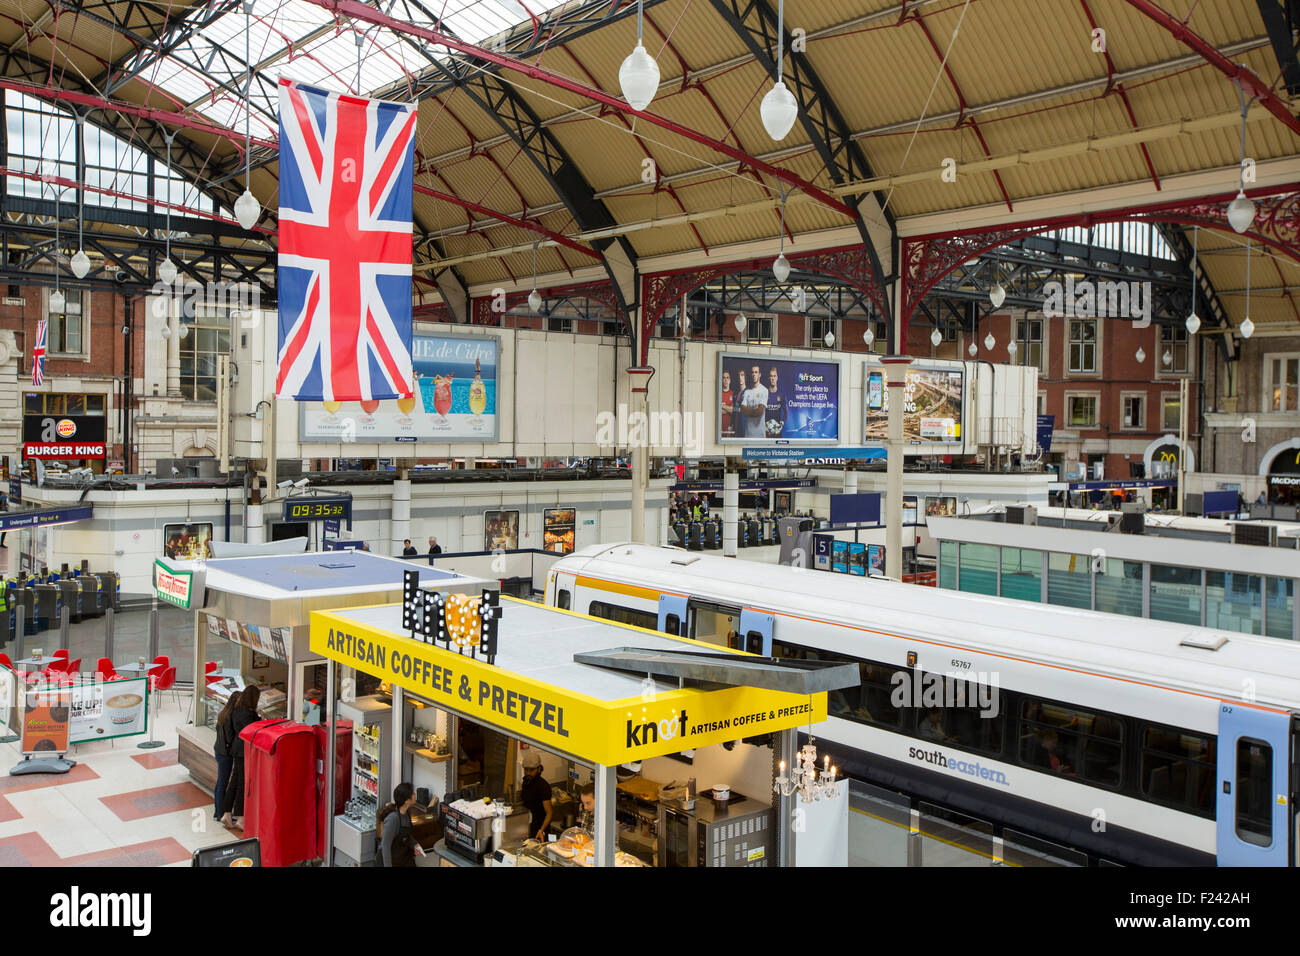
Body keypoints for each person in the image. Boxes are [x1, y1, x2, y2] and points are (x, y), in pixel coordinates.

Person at [219, 685, 261, 830]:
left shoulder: (236, 711)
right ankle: (241, 818)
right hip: (245, 751)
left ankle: (226, 813)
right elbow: (255, 732)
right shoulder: (251, 716)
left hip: (236, 749)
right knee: (242, 783)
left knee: (234, 781)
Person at [212, 689, 243, 819]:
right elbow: (231, 738)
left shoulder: (223, 713)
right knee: (223, 783)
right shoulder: (231, 717)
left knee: (221, 782)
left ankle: (218, 810)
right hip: (226, 754)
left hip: (219, 751)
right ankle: (220, 814)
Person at [378, 782, 421, 867]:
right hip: (390, 861)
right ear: (407, 801)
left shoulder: (407, 812)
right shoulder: (393, 819)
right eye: (412, 793)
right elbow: (385, 846)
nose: (415, 794)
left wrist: (414, 844)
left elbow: (406, 835)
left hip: (403, 859)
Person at [520, 751, 553, 841]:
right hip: (528, 826)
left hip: (540, 828)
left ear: (539, 769)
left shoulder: (543, 786)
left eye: (531, 770)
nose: (528, 773)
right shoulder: (526, 781)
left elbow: (549, 813)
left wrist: (541, 830)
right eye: (526, 770)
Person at [739, 363, 768, 438]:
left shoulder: (764, 390)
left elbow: (759, 412)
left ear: (759, 374)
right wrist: (755, 409)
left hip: (760, 435)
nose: (754, 374)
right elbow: (742, 411)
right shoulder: (747, 391)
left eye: (756, 372)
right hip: (748, 435)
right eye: (752, 372)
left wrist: (748, 410)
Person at [764, 365, 787, 437]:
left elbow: (786, 412)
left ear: (777, 378)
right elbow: (760, 414)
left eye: (774, 376)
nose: (773, 378)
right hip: (766, 432)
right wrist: (764, 426)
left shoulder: (781, 395)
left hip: (777, 431)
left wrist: (782, 423)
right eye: (771, 376)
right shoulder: (764, 394)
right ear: (769, 378)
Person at [719, 369, 736, 437]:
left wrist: (722, 405)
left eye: (727, 378)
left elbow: (732, 410)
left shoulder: (733, 394)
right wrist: (728, 408)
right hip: (719, 428)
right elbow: (717, 411)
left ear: (730, 380)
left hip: (729, 428)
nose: (725, 380)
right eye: (724, 378)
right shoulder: (719, 393)